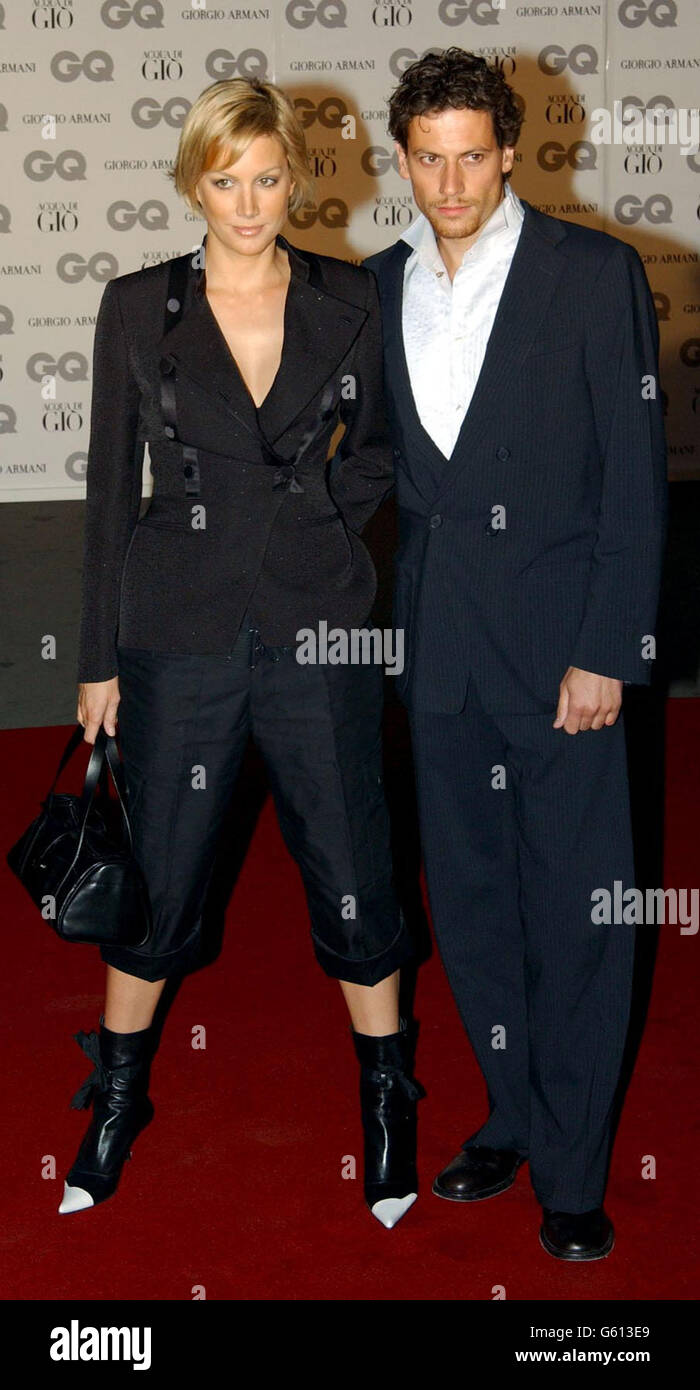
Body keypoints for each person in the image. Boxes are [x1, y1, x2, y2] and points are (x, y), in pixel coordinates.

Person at [62, 77, 421, 1231]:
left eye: (269, 177)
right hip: (179, 628)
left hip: (320, 625)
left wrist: (319, 517)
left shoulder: (352, 298)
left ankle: (385, 1100)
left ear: (293, 179)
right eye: (227, 179)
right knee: (160, 872)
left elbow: (378, 452)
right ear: (192, 180)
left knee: (354, 860)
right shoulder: (136, 306)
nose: (250, 201)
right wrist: (99, 657)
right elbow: (110, 489)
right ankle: (116, 1099)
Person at [364, 48, 667, 1260]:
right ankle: (505, 1118)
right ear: (403, 157)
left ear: (510, 151)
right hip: (437, 663)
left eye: (471, 157)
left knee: (579, 912)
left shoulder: (592, 275)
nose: (450, 182)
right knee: (478, 909)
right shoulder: (378, 285)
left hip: (562, 664)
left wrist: (608, 649)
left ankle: (577, 1168)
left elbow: (634, 488)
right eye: (427, 159)